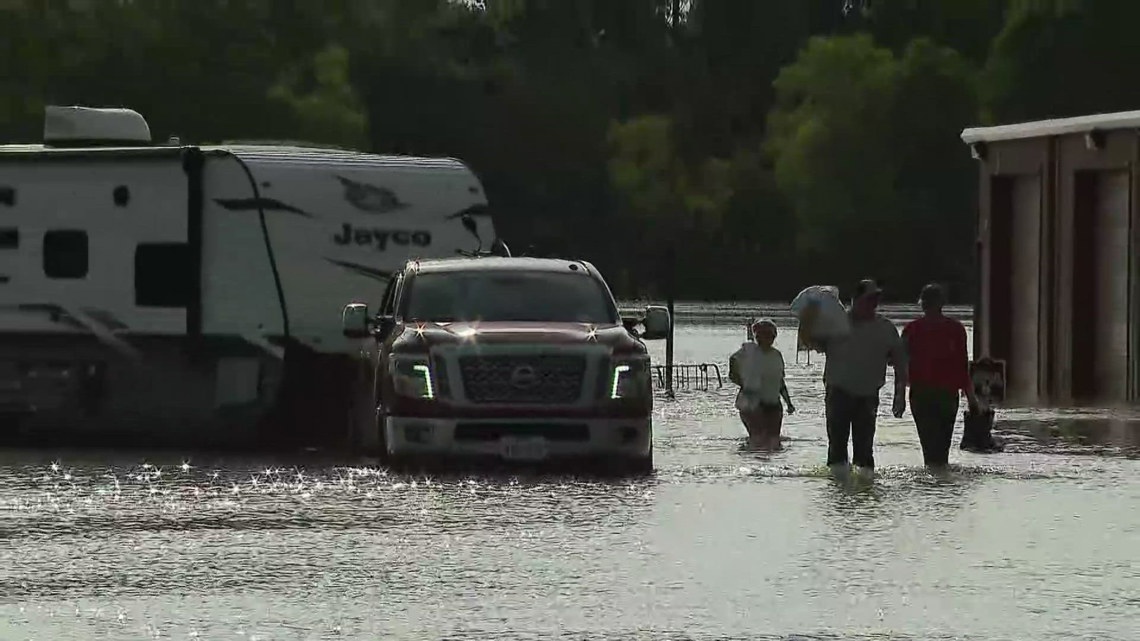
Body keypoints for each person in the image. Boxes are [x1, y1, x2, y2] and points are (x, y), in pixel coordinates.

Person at [812, 279, 908, 471]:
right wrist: (812, 324)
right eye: (869, 298)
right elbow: (814, 344)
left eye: (876, 299)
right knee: (837, 450)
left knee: (864, 453)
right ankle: (839, 492)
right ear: (855, 299)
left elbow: (900, 362)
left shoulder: (885, 327)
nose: (874, 303)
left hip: (868, 395)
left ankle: (864, 494)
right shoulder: (835, 323)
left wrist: (900, 395)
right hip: (838, 392)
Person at [902, 283, 978, 467]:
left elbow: (899, 364)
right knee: (939, 449)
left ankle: (933, 486)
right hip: (940, 394)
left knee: (931, 447)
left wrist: (900, 393)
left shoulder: (912, 329)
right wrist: (972, 398)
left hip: (926, 394)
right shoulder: (954, 329)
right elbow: (962, 367)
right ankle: (939, 486)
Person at [729, 319, 796, 449]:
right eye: (761, 335)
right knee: (758, 440)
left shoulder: (776, 355)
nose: (765, 338)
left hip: (773, 403)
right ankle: (753, 462)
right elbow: (733, 360)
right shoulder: (749, 351)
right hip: (751, 402)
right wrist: (740, 380)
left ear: (773, 337)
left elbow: (780, 381)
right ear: (756, 336)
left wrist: (789, 402)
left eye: (769, 335)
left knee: (774, 442)